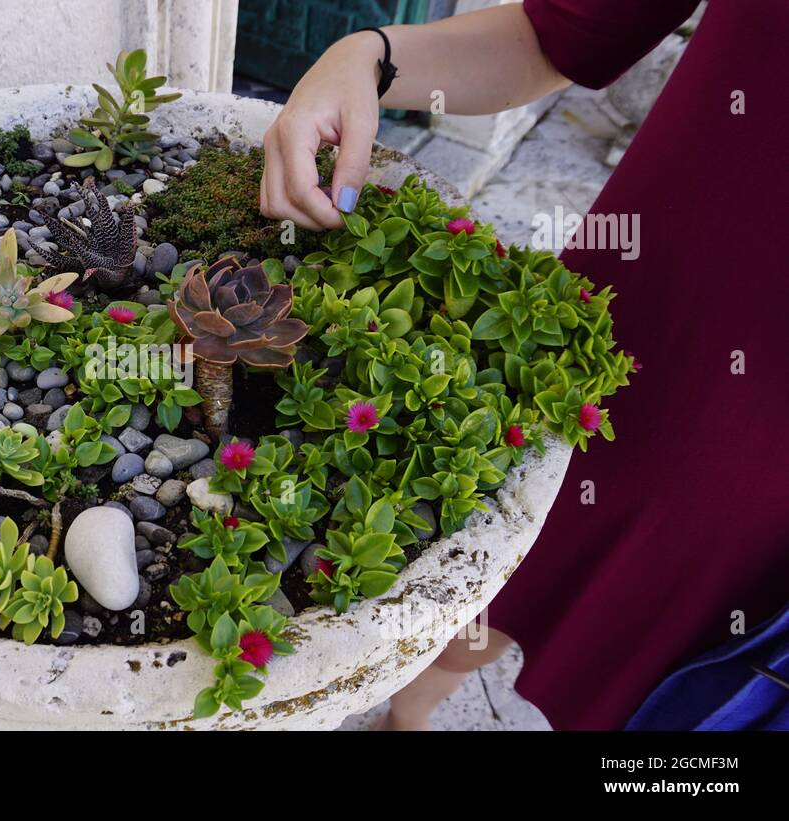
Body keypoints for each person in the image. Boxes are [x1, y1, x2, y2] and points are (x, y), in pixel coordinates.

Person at [261, 0, 789, 730]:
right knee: (493, 592)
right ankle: (406, 718)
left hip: (765, 484)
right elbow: (556, 36)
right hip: (606, 335)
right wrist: (366, 58)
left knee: (677, 688)